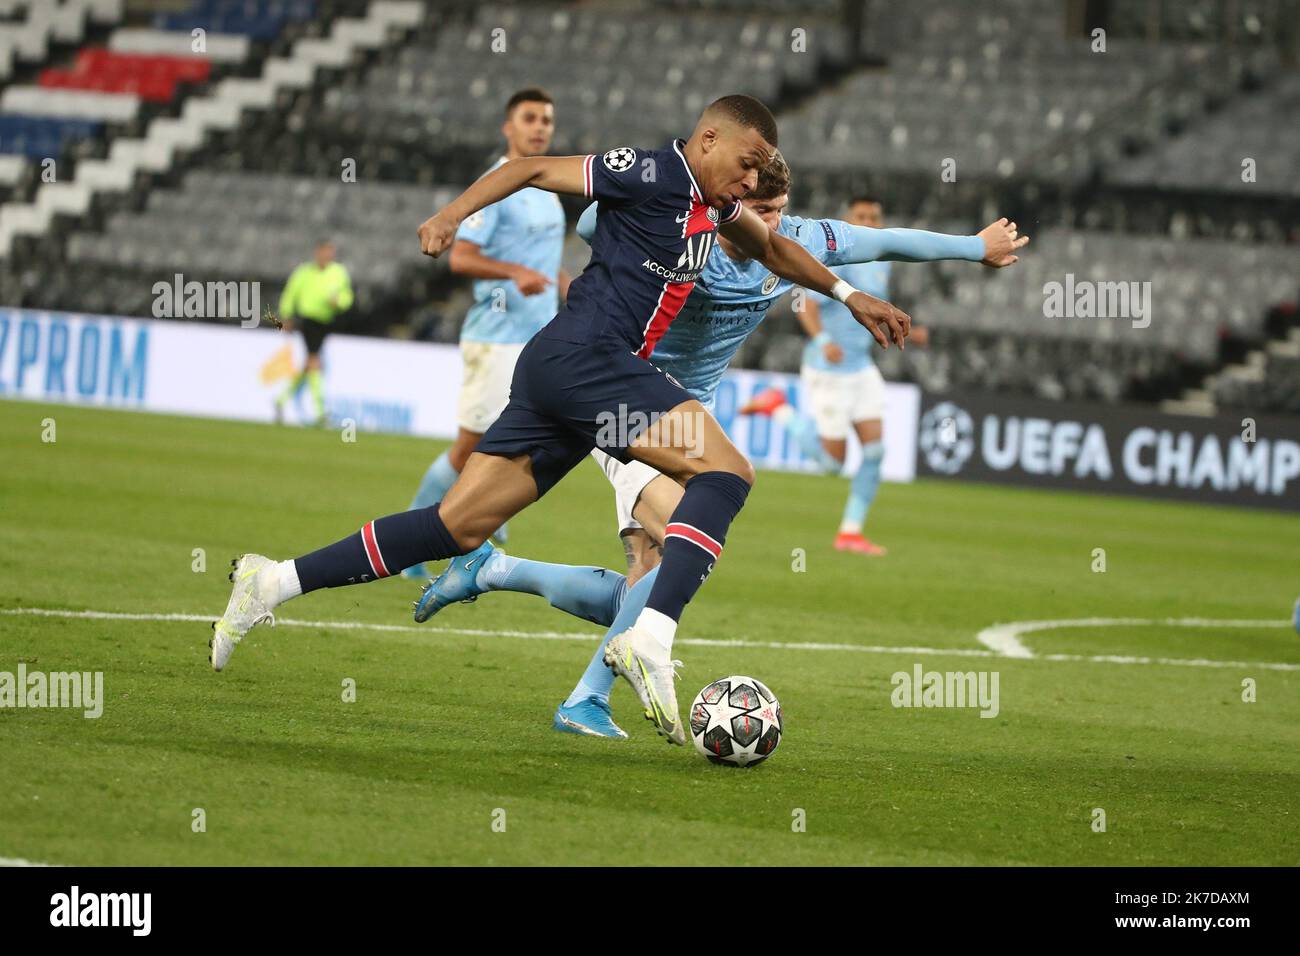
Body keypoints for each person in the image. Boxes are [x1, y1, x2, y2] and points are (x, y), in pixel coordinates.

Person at [210, 94, 911, 748]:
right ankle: (650, 637)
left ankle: (274, 581)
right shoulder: (651, 172)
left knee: (455, 526)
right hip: (588, 359)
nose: (750, 178)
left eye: (760, 170)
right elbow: (531, 168)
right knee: (725, 469)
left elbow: (777, 248)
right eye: (746, 163)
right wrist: (451, 215)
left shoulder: (713, 206)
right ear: (708, 139)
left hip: (563, 373)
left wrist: (849, 294)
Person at [412, 154, 1027, 737]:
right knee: (685, 544)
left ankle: (491, 570)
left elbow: (889, 241)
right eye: (763, 210)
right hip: (619, 396)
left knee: (646, 579)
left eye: (781, 209)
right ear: (731, 200)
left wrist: (975, 248)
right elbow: (597, 217)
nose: (774, 223)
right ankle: (585, 697)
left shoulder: (797, 243)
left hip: (685, 416)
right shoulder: (690, 236)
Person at [404, 88, 570, 574]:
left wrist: (568, 285)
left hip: (536, 338)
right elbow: (462, 256)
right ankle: (412, 545)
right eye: (530, 118)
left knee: (524, 439)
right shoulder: (496, 185)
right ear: (508, 127)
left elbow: (544, 260)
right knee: (469, 447)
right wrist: (512, 273)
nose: (541, 127)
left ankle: (483, 527)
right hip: (496, 337)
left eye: (547, 120)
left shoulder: (547, 187)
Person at [274, 240, 353, 426]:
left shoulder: (338, 273)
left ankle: (281, 400)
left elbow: (347, 296)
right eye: (325, 251)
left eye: (331, 252)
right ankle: (320, 412)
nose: (328, 256)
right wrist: (286, 316)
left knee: (310, 364)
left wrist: (339, 302)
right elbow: (290, 293)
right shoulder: (304, 272)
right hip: (308, 320)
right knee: (315, 361)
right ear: (318, 252)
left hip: (326, 321)